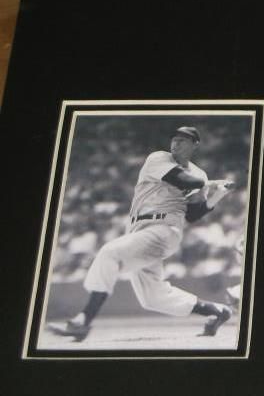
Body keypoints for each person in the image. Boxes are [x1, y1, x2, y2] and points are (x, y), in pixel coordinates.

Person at [47, 126, 236, 342]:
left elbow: (192, 215)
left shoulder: (199, 174)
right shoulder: (159, 158)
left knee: (110, 254)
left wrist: (214, 198)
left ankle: (83, 321)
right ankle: (218, 311)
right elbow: (182, 180)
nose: (176, 144)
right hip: (139, 230)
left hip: (164, 230)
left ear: (195, 145)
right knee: (153, 297)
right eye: (174, 139)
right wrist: (211, 184)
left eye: (183, 140)